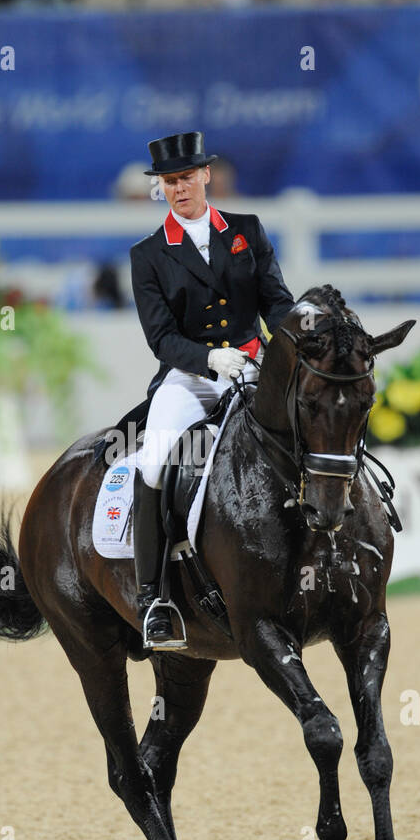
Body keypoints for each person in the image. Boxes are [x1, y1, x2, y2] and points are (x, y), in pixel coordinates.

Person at [129, 131, 294, 647]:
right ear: (161, 188)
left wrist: (292, 341)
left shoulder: (246, 230)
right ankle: (153, 598)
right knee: (155, 461)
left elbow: (277, 303)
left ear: (207, 175)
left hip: (252, 365)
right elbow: (161, 338)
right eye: (168, 181)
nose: (178, 188)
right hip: (191, 378)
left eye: (186, 177)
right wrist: (207, 359)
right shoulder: (148, 255)